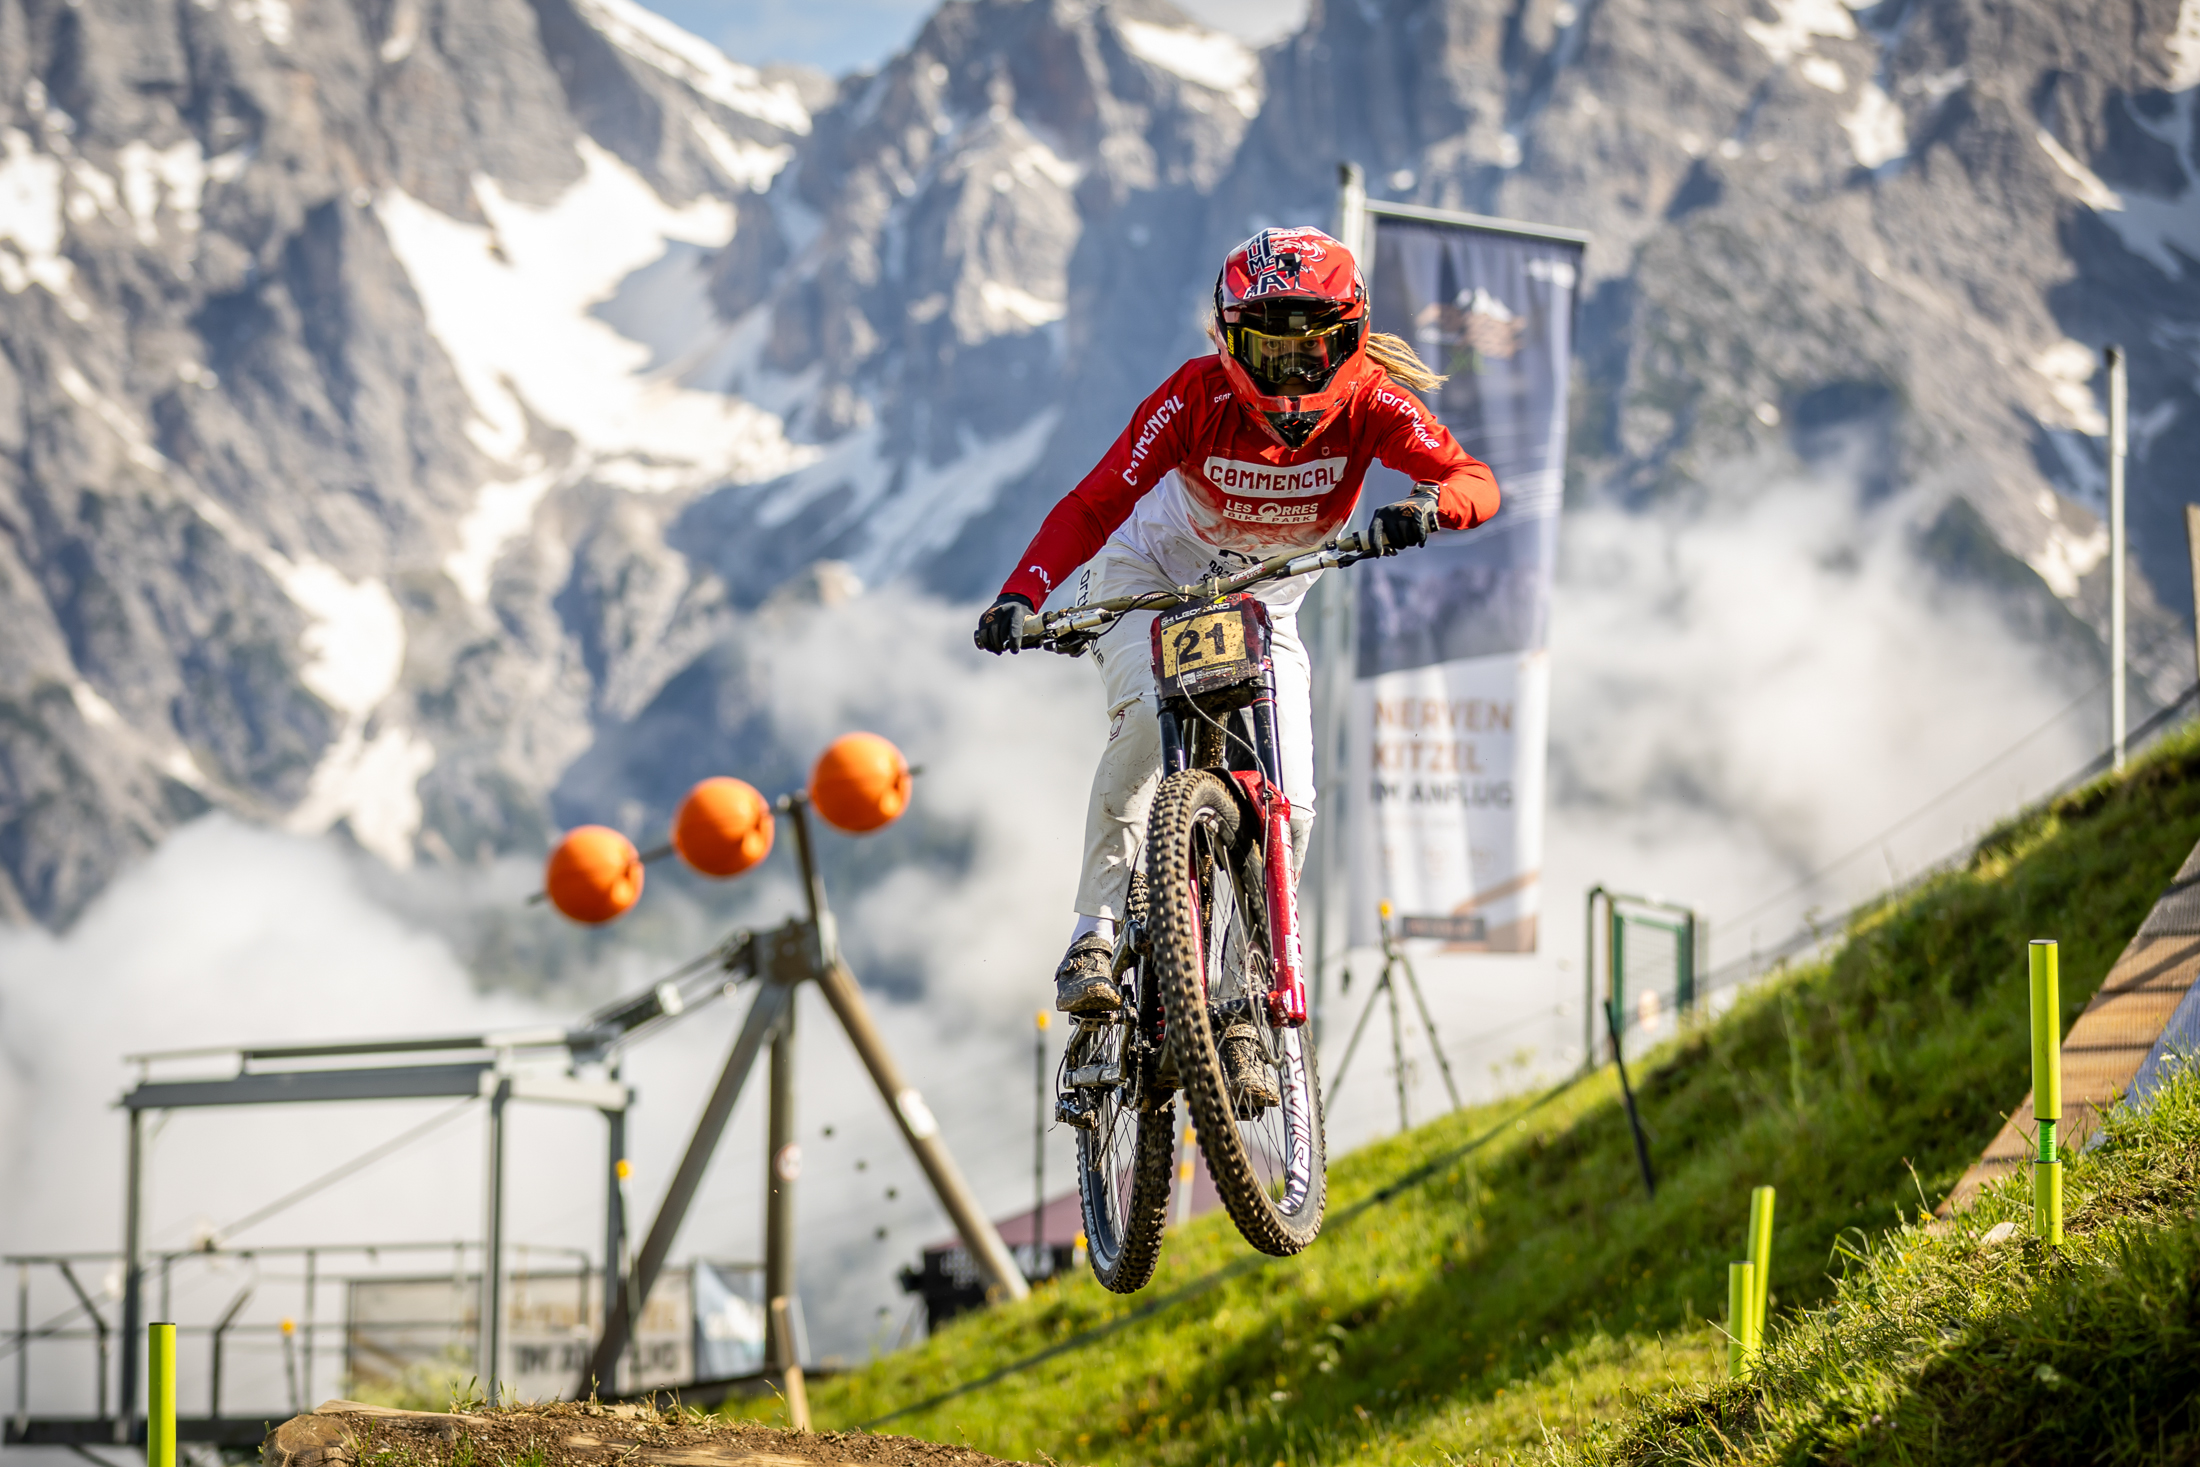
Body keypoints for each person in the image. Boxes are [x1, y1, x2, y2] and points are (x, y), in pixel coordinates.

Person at [974, 226, 1501, 1017]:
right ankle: (1094, 928)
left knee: (1293, 806)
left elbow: (1474, 479)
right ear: (1228, 344)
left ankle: (1247, 983)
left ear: (1351, 339)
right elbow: (1096, 502)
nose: (1290, 378)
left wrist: (1430, 505)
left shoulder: (1374, 403)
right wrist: (1024, 591)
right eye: (1266, 350)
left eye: (1311, 352)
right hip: (1148, 583)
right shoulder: (1194, 396)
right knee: (1147, 735)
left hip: (1264, 605)